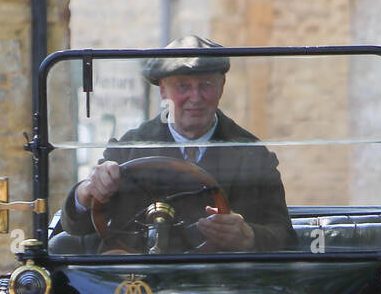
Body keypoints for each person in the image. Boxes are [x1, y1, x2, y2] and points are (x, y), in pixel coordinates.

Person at [61, 36, 298, 252]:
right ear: (163, 91)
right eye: (183, 86)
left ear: (221, 86)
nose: (195, 98)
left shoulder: (252, 155)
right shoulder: (130, 148)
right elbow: (78, 227)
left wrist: (248, 236)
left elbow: (285, 238)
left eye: (205, 85)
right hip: (140, 285)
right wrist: (88, 190)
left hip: (221, 286)